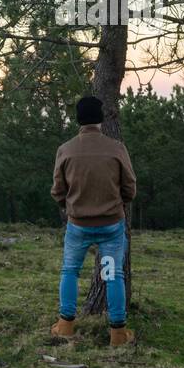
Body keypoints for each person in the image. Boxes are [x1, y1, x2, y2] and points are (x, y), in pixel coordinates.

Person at [49, 95, 137, 346]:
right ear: (100, 119)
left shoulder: (65, 150)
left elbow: (57, 190)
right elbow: (130, 187)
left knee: (70, 271)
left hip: (78, 226)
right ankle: (118, 334)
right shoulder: (117, 148)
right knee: (113, 275)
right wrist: (119, 203)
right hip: (110, 226)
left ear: (78, 120)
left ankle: (65, 326)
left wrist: (69, 207)